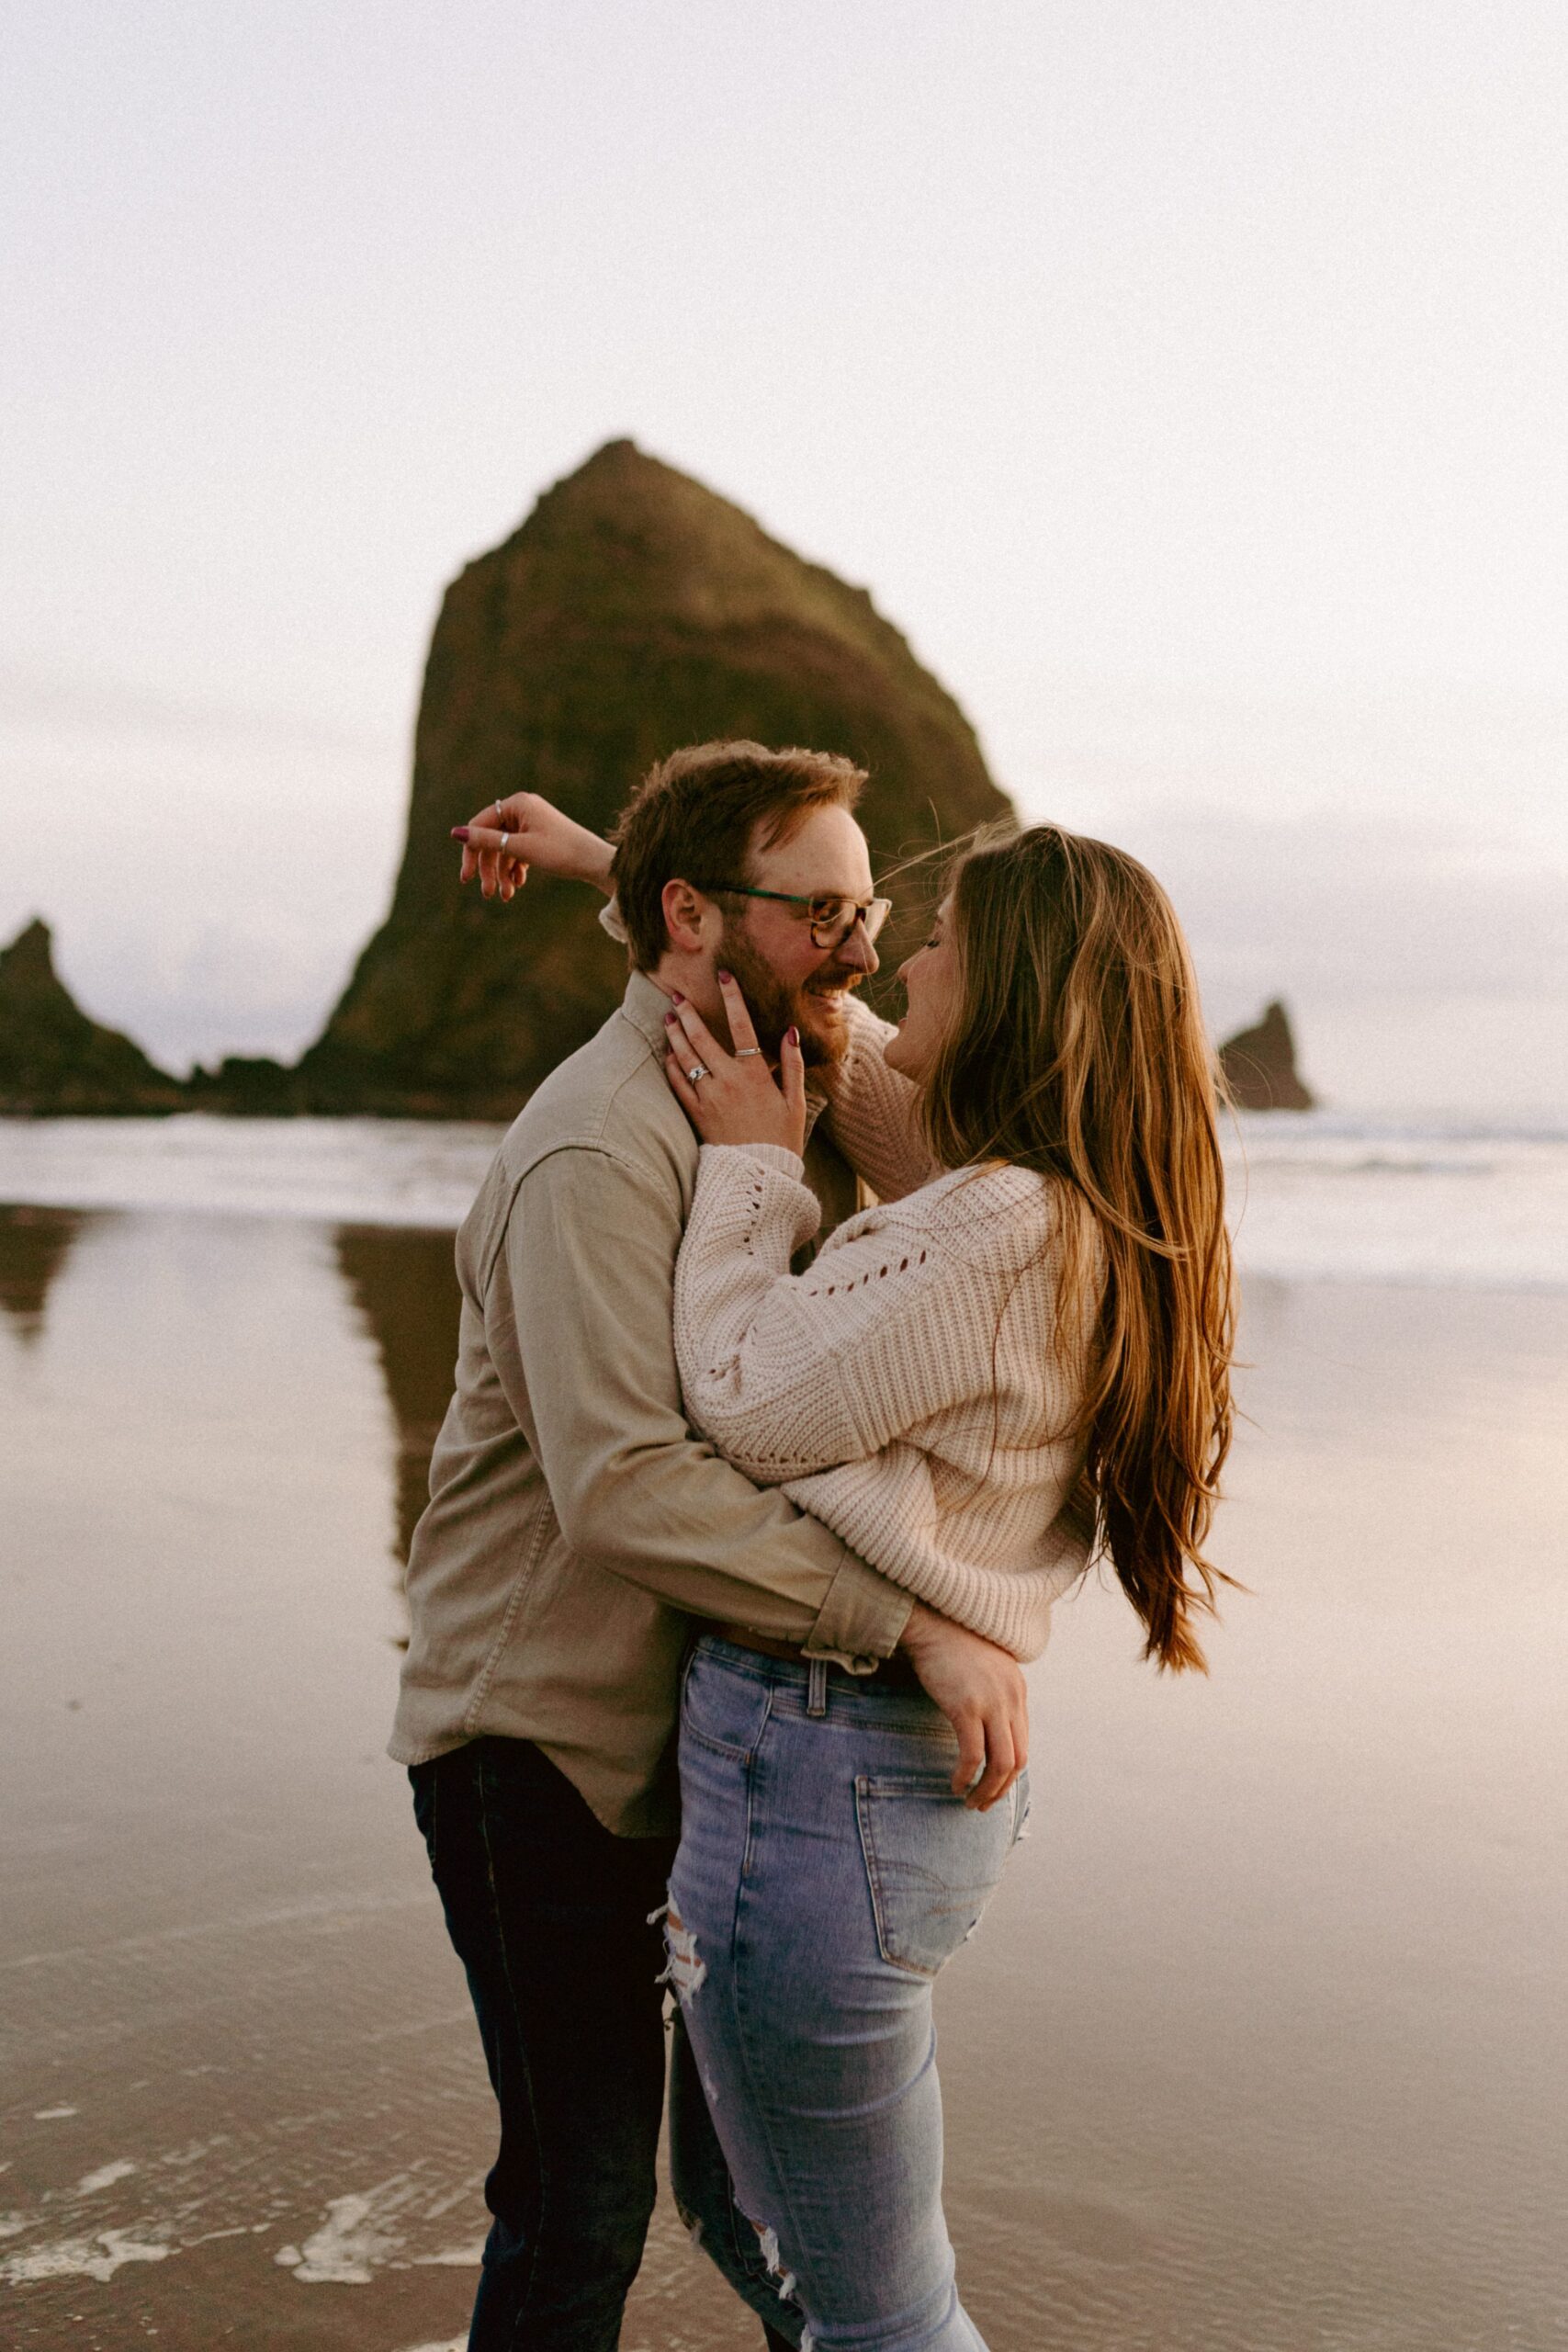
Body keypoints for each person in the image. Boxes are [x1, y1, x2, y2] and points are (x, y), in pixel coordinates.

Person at [465, 797, 1236, 2349]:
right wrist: (624, 871)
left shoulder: (993, 1229)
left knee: (877, 2314)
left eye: (932, 941)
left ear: (1005, 990)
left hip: (826, 1782)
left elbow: (747, 1391)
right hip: (883, 1783)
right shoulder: (1059, 1185)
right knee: (762, 2225)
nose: (888, 956)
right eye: (865, 923)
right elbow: (825, 1015)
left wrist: (756, 1172)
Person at [396, 740, 1027, 2352]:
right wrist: (908, 1618)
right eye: (829, 912)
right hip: (533, 1739)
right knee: (579, 2205)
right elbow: (623, 1488)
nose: (867, 947)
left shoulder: (771, 1063)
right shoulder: (599, 1149)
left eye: (872, 905)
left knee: (743, 2194)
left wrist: (621, 865)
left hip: (691, 1739)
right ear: (696, 919)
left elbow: (937, 1134)